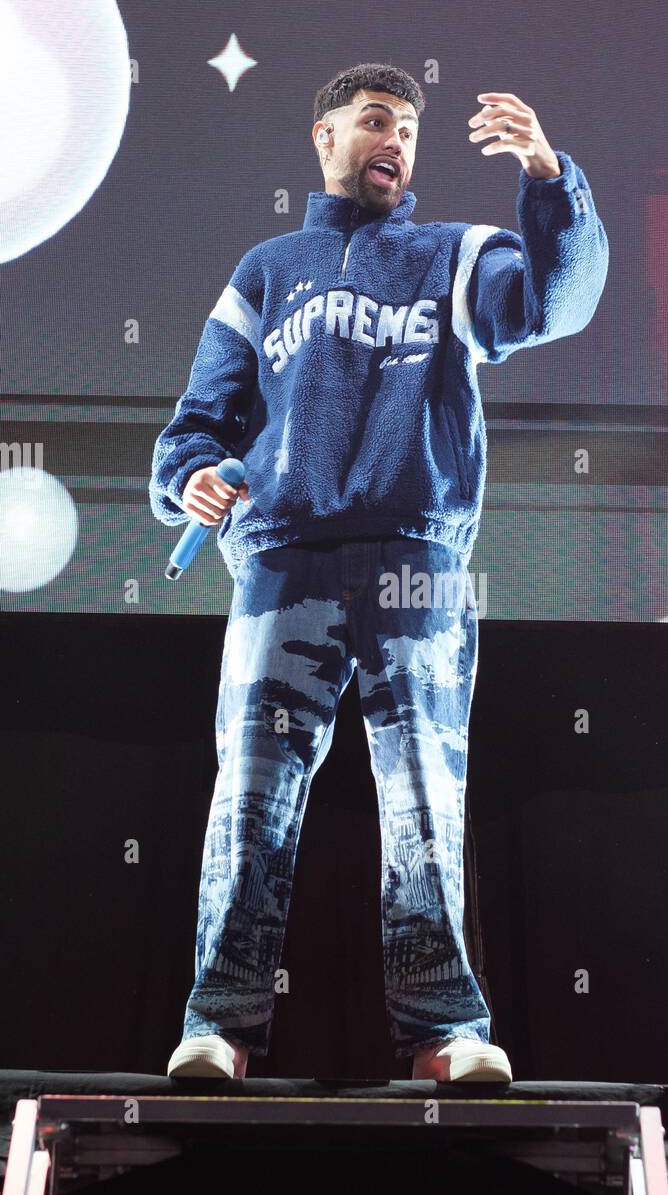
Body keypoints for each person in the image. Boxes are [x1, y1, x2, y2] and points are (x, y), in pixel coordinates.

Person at [149, 62, 609, 1084]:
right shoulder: (265, 270)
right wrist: (188, 479)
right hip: (283, 566)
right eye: (372, 121)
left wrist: (547, 177)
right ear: (324, 138)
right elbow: (196, 428)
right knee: (252, 799)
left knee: (423, 798)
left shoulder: (453, 255)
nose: (394, 139)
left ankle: (443, 1032)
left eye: (407, 125)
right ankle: (218, 1024)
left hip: (418, 564)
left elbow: (551, 302)